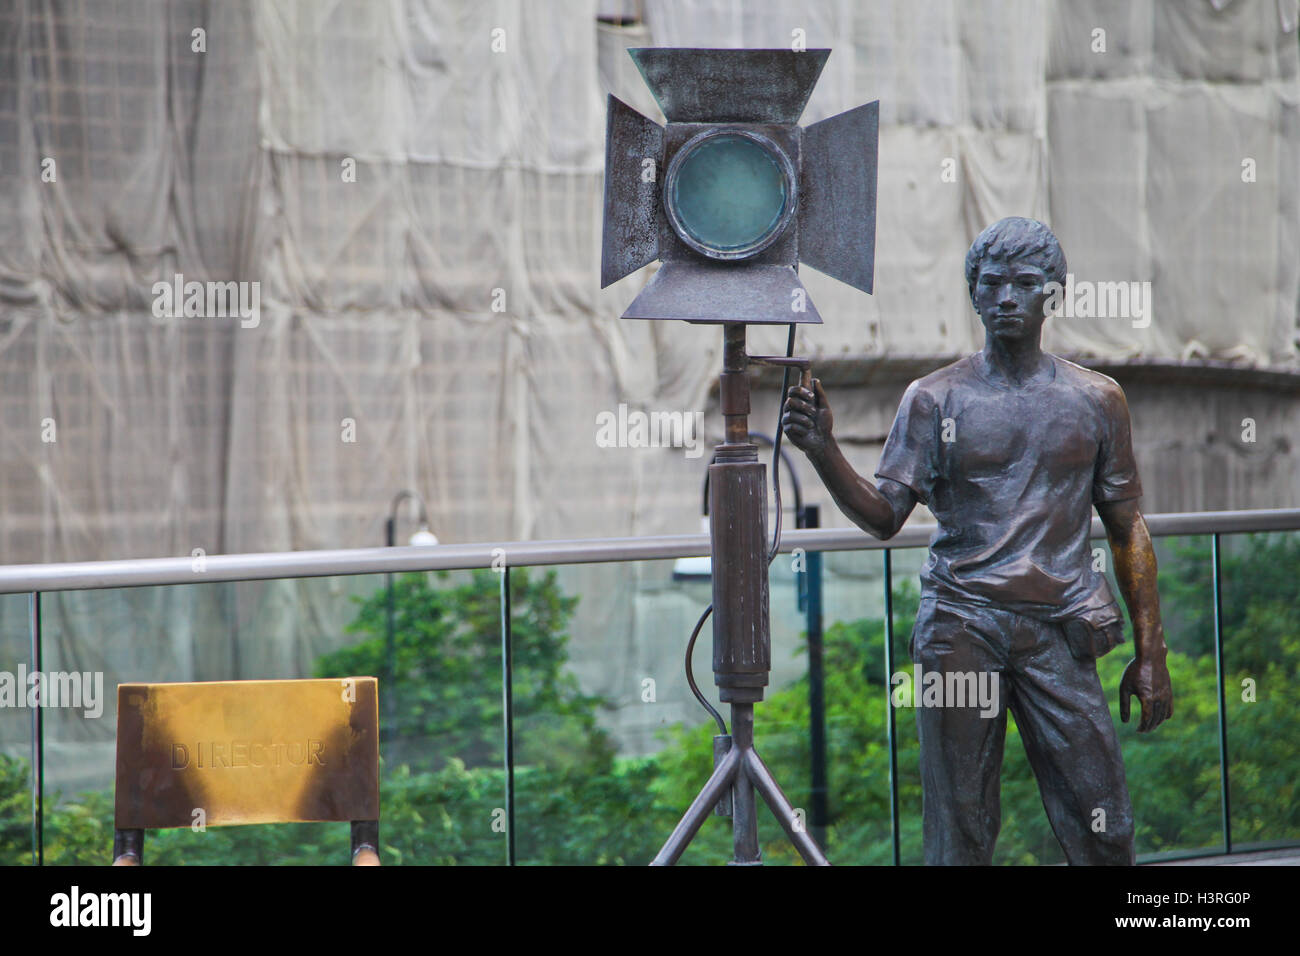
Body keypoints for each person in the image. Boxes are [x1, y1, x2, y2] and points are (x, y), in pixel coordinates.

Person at [782, 217, 1173, 865]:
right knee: (959, 826)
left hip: (1060, 628)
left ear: (1053, 294)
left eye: (1025, 283)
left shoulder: (1098, 400)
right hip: (960, 626)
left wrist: (1151, 652)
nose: (1007, 298)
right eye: (992, 284)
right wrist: (823, 449)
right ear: (974, 294)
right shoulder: (934, 400)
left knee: (1105, 821)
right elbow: (884, 516)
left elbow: (1129, 528)